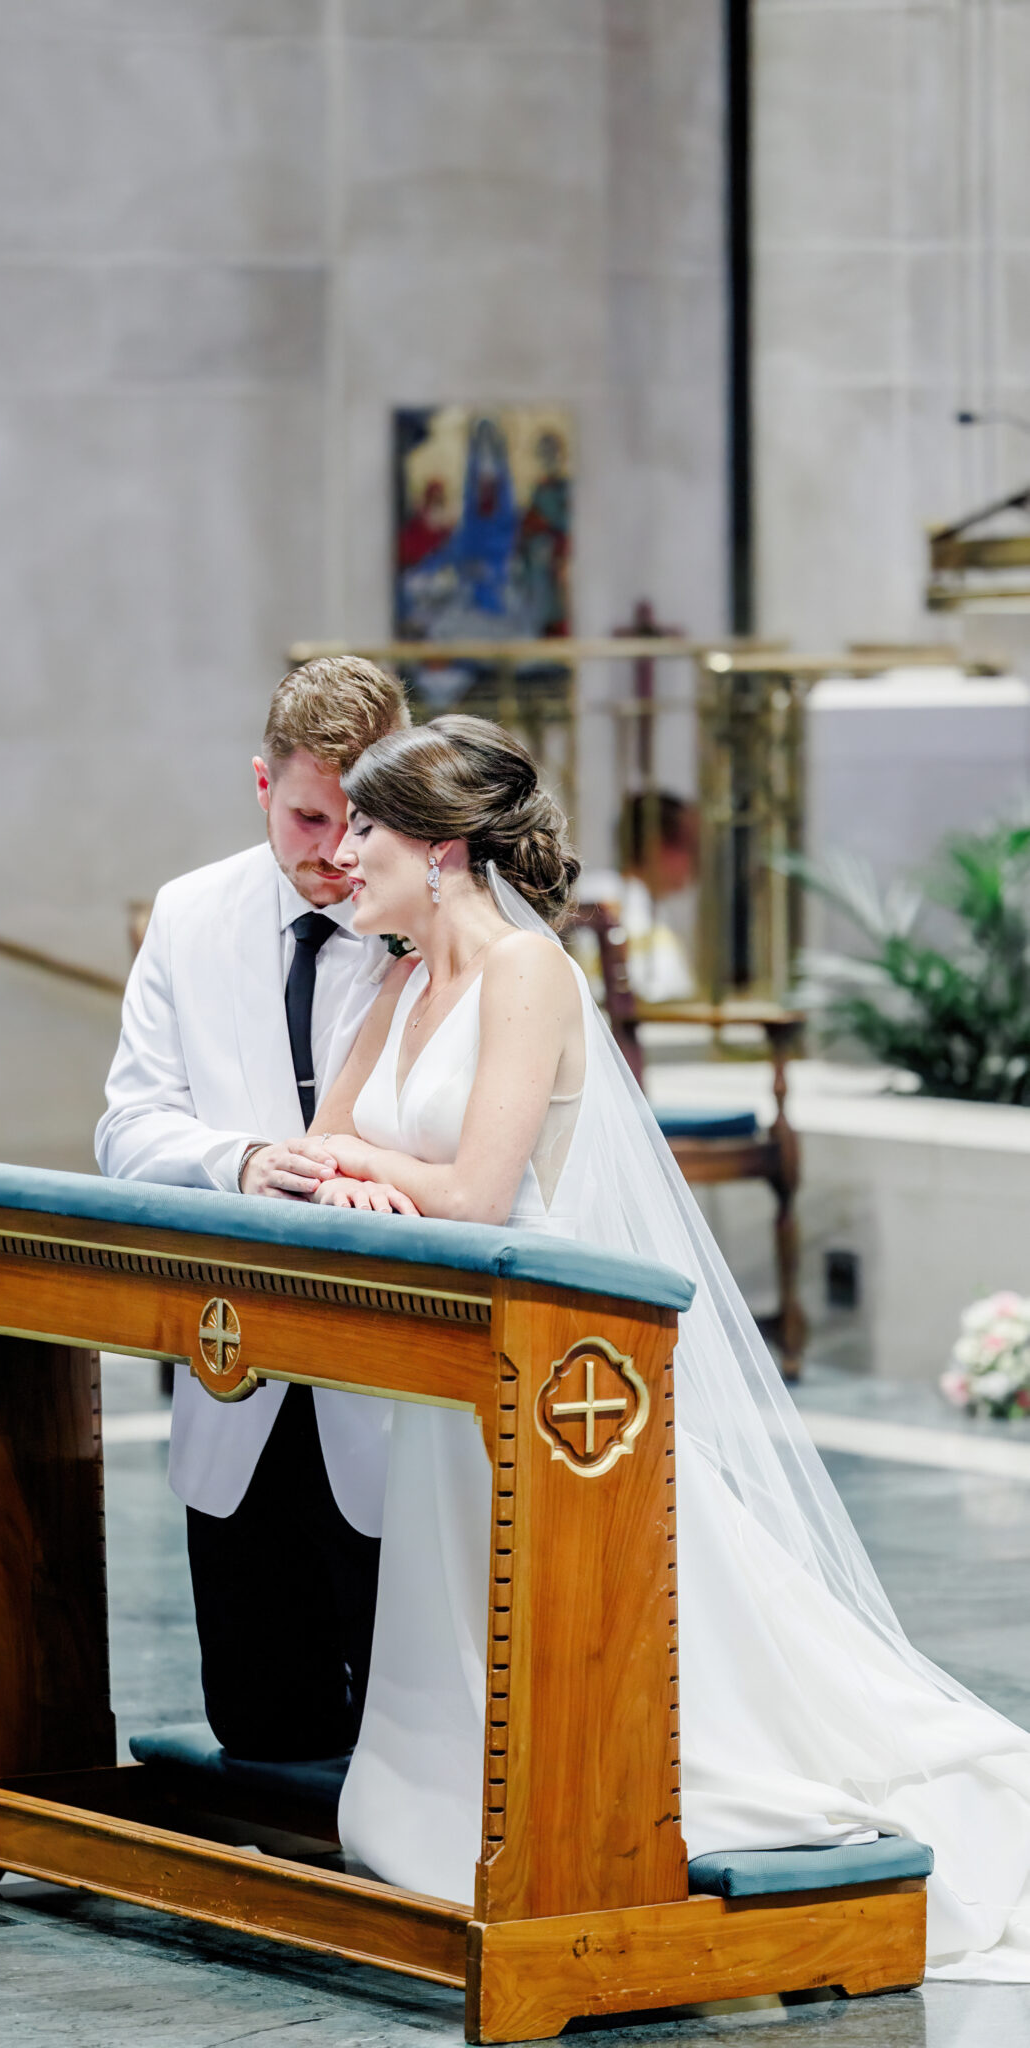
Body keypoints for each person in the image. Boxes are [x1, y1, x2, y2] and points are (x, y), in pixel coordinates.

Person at [298, 712, 1030, 1979]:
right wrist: (349, 1165)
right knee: (452, 1638)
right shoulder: (396, 978)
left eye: (365, 824)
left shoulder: (529, 977)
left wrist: (363, 1165)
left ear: (447, 849)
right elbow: (320, 1139)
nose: (342, 852)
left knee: (662, 1658)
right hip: (440, 1350)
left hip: (536, 1344)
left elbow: (476, 1190)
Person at [94, 656, 415, 1762]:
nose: (335, 851)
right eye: (309, 815)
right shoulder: (190, 916)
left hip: (397, 1378)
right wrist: (238, 1162)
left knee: (408, 1731)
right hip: (236, 1372)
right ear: (261, 785)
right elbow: (127, 1128)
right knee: (261, 1727)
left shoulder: (431, 920)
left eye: (363, 818)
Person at [575, 788, 699, 1004]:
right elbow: (656, 997)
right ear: (656, 846)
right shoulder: (610, 899)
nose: (697, 860)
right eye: (689, 846)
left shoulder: (643, 902)